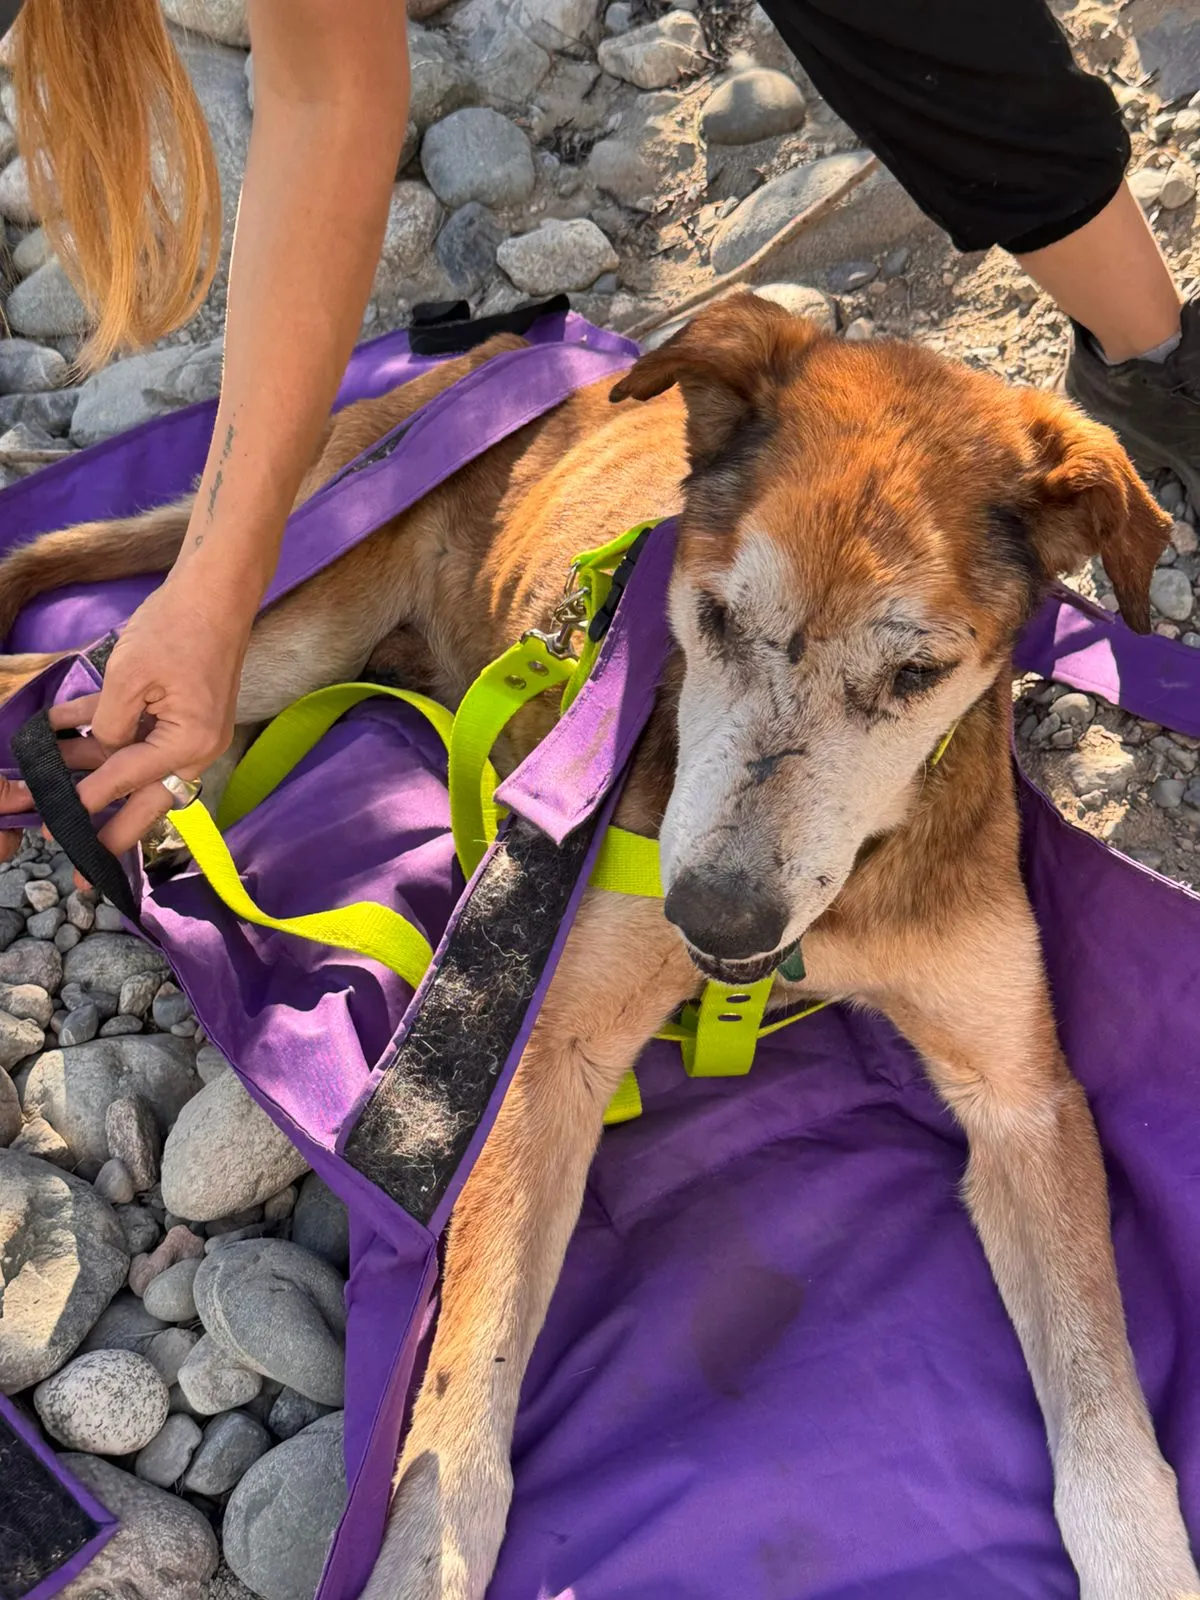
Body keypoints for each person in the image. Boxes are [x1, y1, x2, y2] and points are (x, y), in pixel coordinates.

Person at [0, 0, 1197, 870]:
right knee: (241, 664)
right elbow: (324, 92)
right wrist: (213, 581)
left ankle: (1159, 361)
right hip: (453, 516)